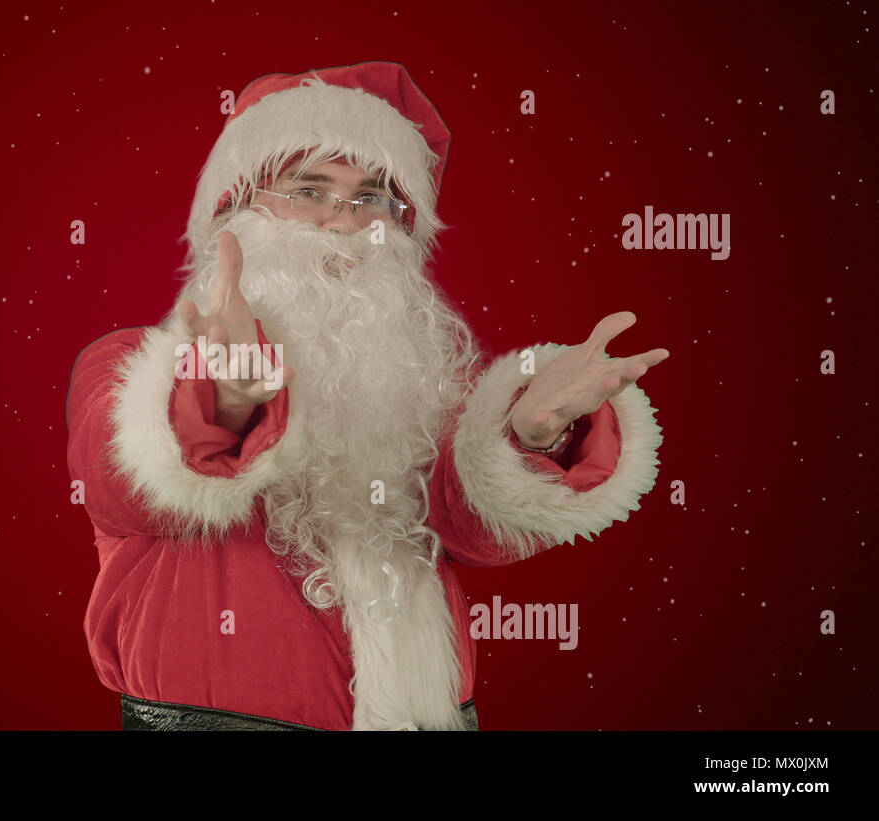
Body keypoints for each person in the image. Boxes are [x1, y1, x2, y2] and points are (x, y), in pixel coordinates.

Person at [66, 61, 668, 731]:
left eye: (372, 196)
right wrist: (227, 399)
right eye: (309, 187)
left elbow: (476, 535)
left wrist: (531, 430)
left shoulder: (426, 387)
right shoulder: (130, 366)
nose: (342, 220)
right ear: (234, 211)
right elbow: (120, 481)